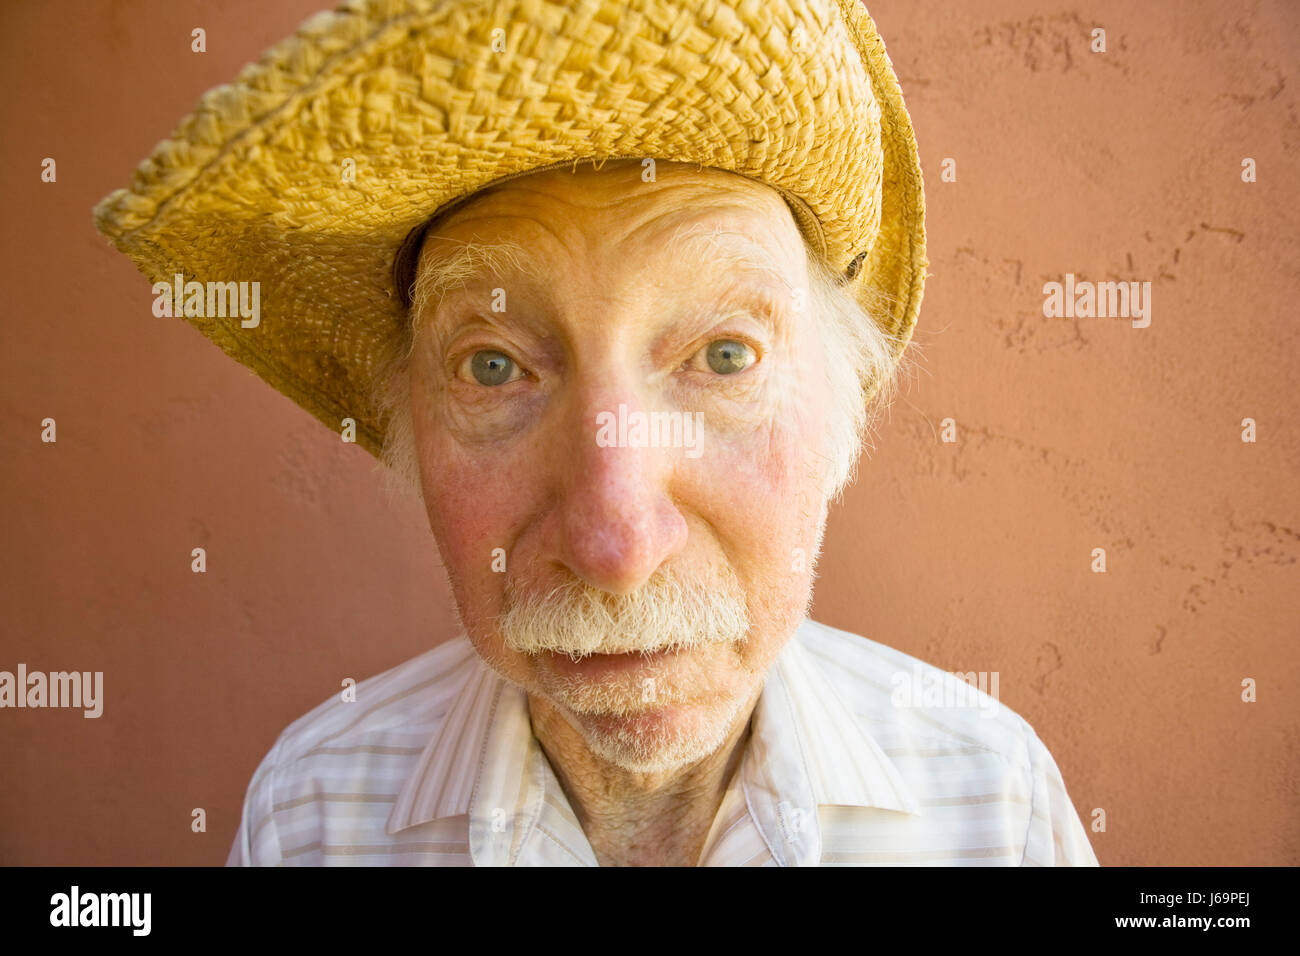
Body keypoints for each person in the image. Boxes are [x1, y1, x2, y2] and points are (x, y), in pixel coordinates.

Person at [94, 0, 1098, 866]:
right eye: (494, 365)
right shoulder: (312, 814)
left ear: (840, 421)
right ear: (411, 444)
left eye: (724, 355)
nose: (614, 551)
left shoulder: (992, 799)